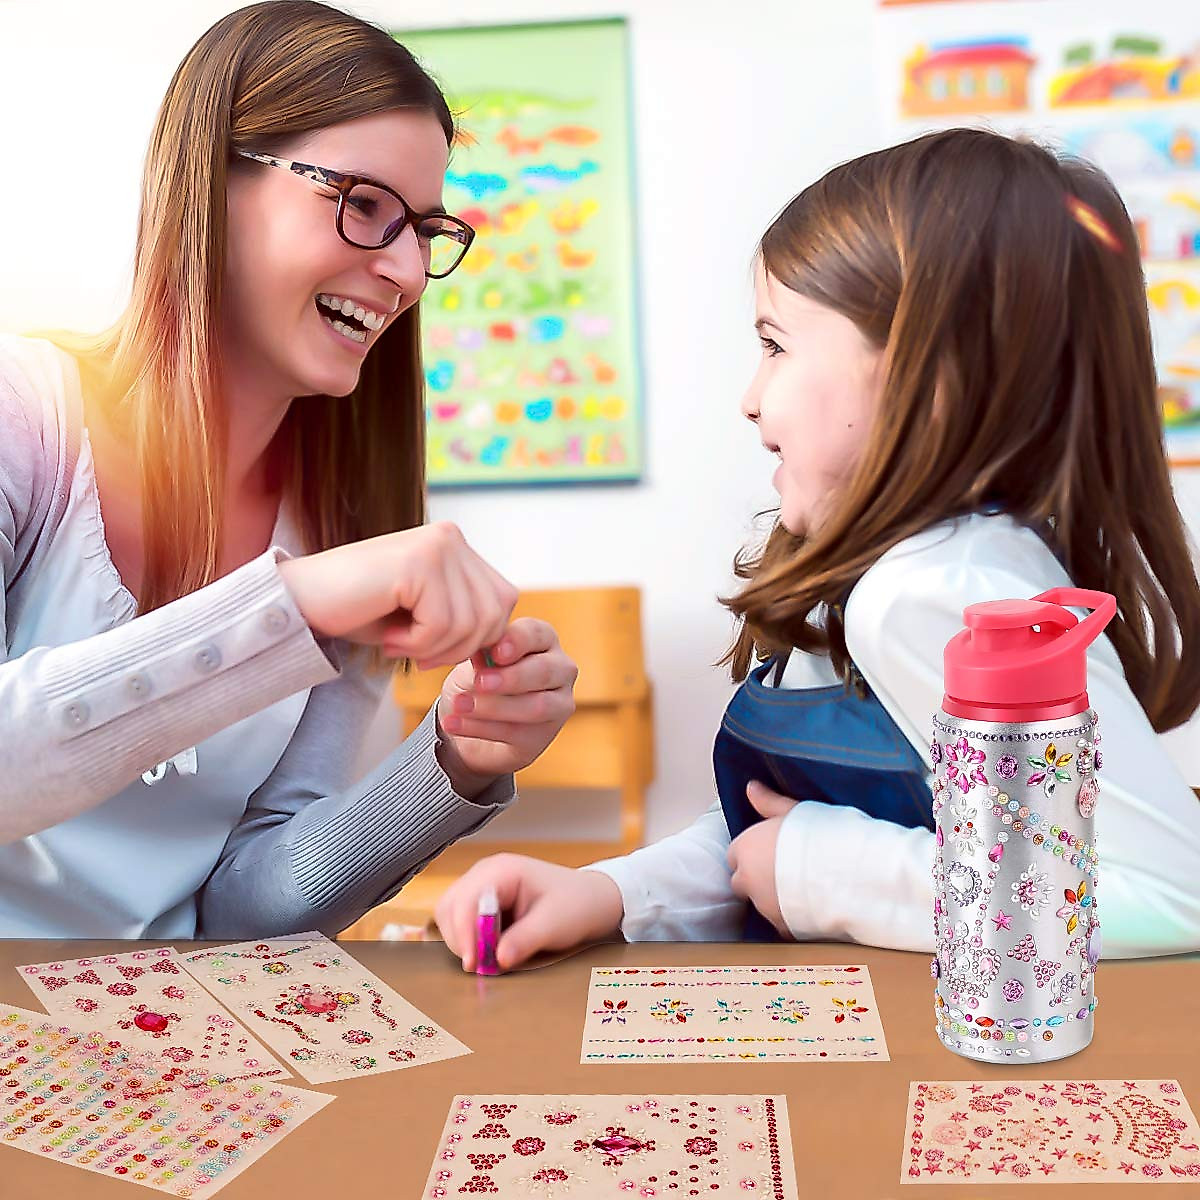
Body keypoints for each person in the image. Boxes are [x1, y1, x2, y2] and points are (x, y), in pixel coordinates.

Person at [436, 128, 1200, 971]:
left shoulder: (938, 592)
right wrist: (614, 893)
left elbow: (1168, 899)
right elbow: (785, 828)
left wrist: (825, 871)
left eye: (774, 346)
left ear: (924, 375)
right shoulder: (877, 574)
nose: (750, 399)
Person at [0, 0, 577, 938]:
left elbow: (244, 913)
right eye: (362, 206)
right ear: (212, 182)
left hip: (158, 1042)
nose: (406, 271)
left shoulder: (339, 524)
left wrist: (453, 764)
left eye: (424, 231)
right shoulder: (23, 415)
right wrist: (291, 608)